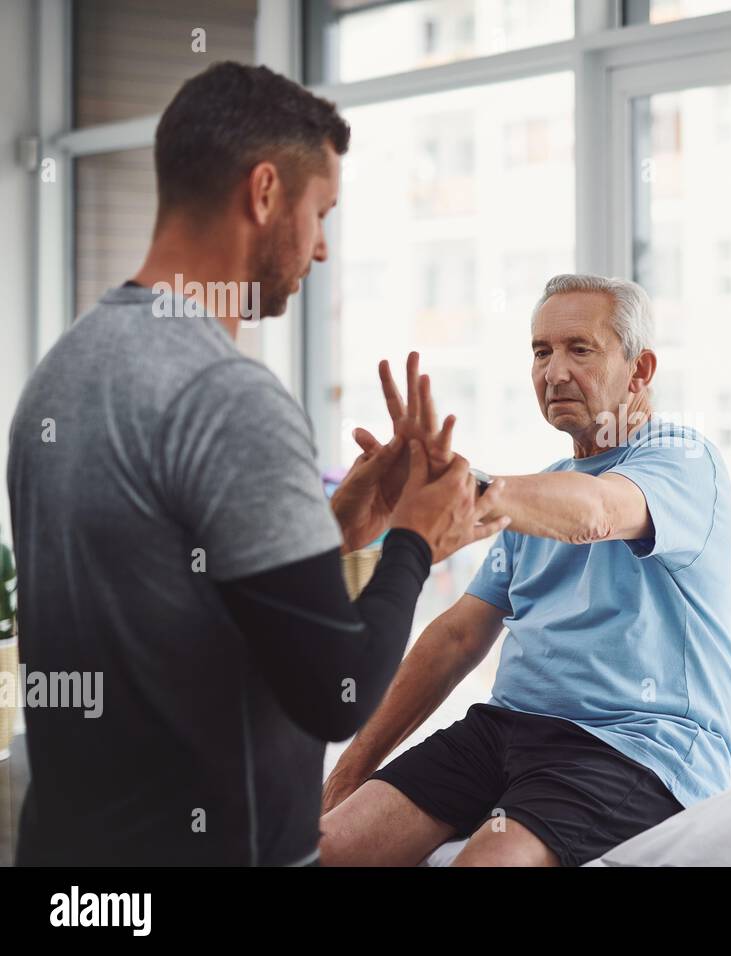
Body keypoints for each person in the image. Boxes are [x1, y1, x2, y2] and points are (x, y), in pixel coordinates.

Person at [5, 61, 506, 866]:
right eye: (320, 213)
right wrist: (415, 540)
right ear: (265, 191)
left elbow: (165, 583)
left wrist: (333, 532)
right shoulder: (228, 395)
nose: (322, 251)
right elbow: (336, 689)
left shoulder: (61, 371)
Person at [320, 274, 731, 867]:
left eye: (580, 348)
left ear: (641, 370)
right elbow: (457, 636)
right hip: (505, 731)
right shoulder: (535, 492)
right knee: (323, 851)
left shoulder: (682, 458)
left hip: (633, 746)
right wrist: (349, 773)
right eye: (541, 352)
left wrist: (454, 490)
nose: (555, 371)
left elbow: (596, 512)